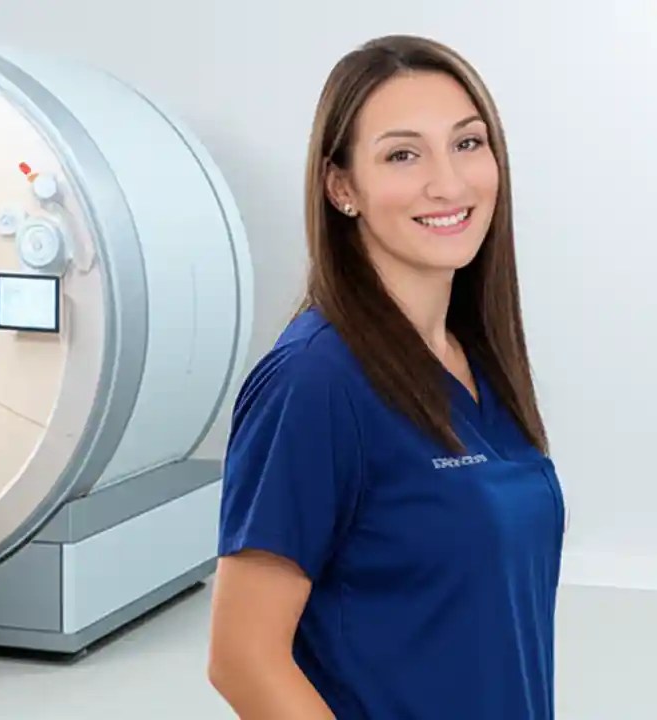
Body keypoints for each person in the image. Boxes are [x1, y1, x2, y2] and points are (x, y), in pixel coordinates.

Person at [206, 35, 566, 719]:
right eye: (403, 154)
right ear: (342, 187)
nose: (449, 183)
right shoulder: (314, 382)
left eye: (468, 143)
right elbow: (242, 658)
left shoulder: (476, 359)